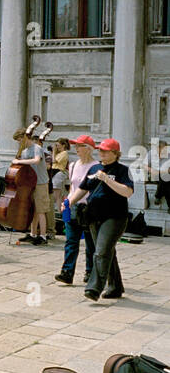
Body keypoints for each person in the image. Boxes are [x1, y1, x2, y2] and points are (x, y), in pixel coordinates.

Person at [67, 138, 133, 301]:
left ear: (115, 154)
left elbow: (127, 192)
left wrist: (106, 179)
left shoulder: (122, 170)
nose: (101, 153)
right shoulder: (94, 168)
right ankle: (115, 287)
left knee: (101, 251)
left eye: (105, 151)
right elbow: (82, 189)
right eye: (100, 150)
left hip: (115, 217)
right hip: (93, 216)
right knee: (106, 251)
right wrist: (69, 202)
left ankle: (94, 287)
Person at [55, 136, 97, 286]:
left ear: (88, 148)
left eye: (80, 146)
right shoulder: (73, 165)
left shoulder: (96, 166)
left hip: (89, 208)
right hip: (73, 206)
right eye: (76, 146)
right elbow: (72, 187)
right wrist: (66, 203)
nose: (76, 149)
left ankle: (90, 271)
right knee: (71, 241)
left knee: (91, 243)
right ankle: (67, 272)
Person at [10, 128, 52, 245]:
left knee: (41, 210)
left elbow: (37, 160)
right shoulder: (24, 151)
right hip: (30, 183)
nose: (19, 143)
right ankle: (33, 234)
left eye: (19, 140)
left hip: (41, 182)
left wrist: (19, 162)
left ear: (25, 137)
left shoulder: (37, 148)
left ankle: (43, 236)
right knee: (33, 210)